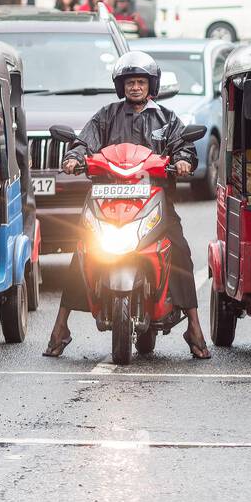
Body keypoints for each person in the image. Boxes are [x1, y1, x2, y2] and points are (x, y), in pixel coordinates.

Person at [44, 52, 210, 360]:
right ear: (122, 86)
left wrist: (185, 160)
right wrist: (74, 158)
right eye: (130, 82)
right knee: (82, 252)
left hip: (153, 198)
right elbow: (84, 141)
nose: (135, 87)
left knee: (181, 251)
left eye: (141, 82)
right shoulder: (106, 115)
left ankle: (194, 328)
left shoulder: (167, 118)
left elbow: (183, 146)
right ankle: (61, 328)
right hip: (107, 199)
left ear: (151, 85)